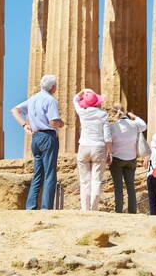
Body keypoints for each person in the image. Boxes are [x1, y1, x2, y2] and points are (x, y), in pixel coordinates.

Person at [11, 74, 63, 210]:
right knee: (50, 173)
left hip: (35, 138)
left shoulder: (32, 99)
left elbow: (14, 110)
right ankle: (46, 207)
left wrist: (24, 125)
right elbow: (53, 122)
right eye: (56, 85)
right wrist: (61, 123)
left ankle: (31, 206)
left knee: (38, 173)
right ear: (52, 87)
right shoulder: (50, 100)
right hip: (47, 137)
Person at [105, 104, 148, 214]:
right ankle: (132, 211)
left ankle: (118, 210)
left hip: (117, 159)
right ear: (125, 112)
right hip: (131, 159)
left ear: (113, 113)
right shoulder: (134, 124)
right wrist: (133, 116)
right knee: (130, 186)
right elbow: (144, 126)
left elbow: (107, 139)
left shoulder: (112, 126)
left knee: (118, 186)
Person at [73, 89, 111, 212]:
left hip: (83, 146)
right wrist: (109, 152)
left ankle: (85, 208)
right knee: (96, 179)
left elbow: (75, 100)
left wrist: (82, 92)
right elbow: (107, 136)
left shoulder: (82, 112)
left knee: (84, 180)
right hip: (99, 147)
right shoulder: (103, 114)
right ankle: (94, 207)